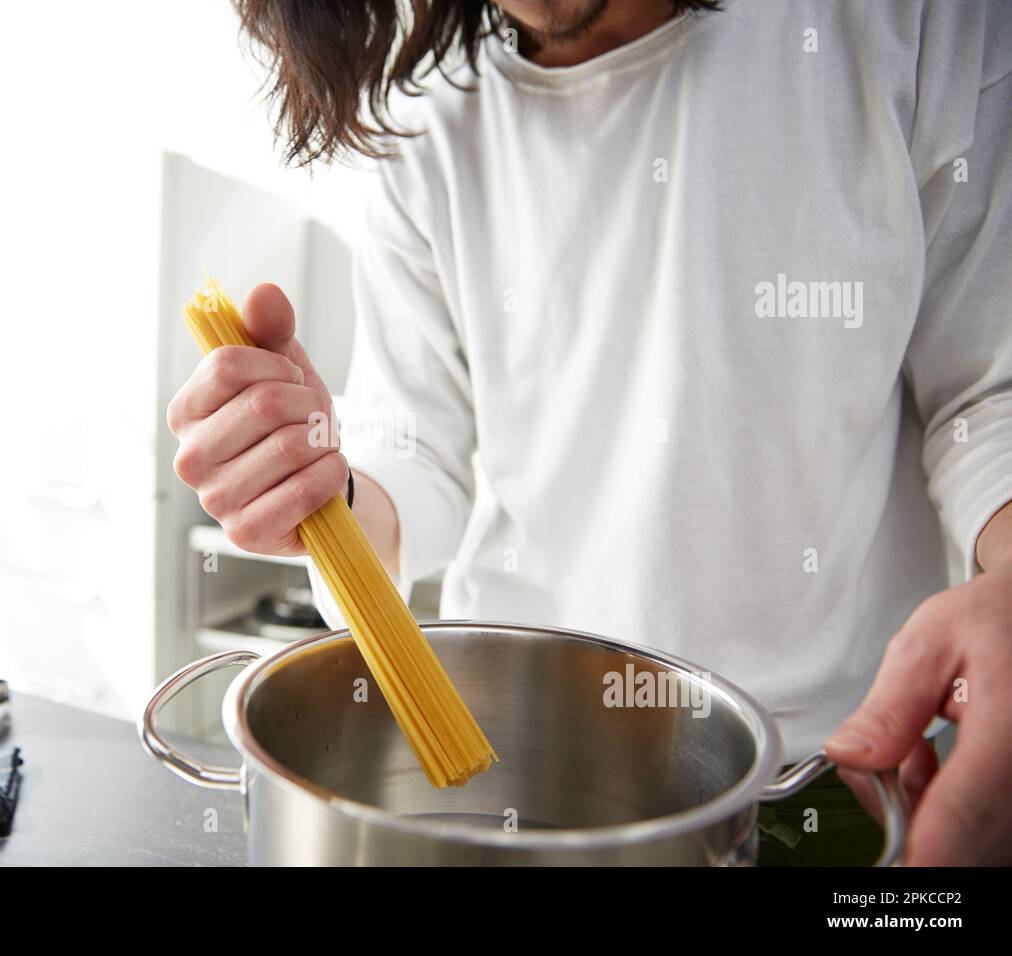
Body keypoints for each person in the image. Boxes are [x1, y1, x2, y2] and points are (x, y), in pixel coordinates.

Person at [166, 0, 1012, 864]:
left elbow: (991, 396)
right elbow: (412, 452)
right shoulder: (424, 111)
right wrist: (315, 487)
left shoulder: (919, 23)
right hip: (507, 795)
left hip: (834, 783)